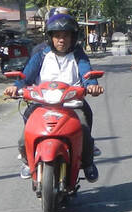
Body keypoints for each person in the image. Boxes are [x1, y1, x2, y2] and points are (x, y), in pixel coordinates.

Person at [6, 12, 104, 181]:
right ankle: (28, 161)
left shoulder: (78, 53)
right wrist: (15, 87)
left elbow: (86, 72)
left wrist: (92, 85)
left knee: (84, 129)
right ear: (50, 37)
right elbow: (26, 76)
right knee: (24, 138)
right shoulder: (41, 54)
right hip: (41, 103)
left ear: (73, 37)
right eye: (57, 36)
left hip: (72, 103)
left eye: (66, 36)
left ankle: (87, 163)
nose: (61, 40)